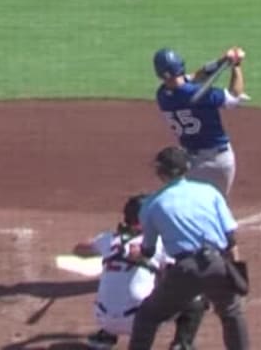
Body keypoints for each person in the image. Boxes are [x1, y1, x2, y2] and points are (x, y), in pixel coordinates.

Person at [128, 147, 251, 350]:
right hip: (218, 265)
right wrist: (235, 273)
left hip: (185, 270)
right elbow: (230, 239)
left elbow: (149, 250)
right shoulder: (210, 191)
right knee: (231, 313)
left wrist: (137, 253)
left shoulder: (151, 204)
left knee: (148, 316)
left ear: (161, 172)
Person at [72, 194, 203, 349]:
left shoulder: (108, 239)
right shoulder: (159, 242)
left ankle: (105, 337)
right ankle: (182, 344)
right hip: (141, 321)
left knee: (118, 286)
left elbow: (78, 249)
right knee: (195, 296)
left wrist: (112, 246)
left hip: (103, 318)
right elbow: (175, 277)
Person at [152, 46, 248, 196]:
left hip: (189, 163)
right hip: (217, 161)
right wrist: (236, 65)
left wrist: (222, 61)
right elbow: (235, 96)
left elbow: (195, 76)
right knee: (215, 208)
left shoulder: (162, 94)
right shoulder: (197, 93)